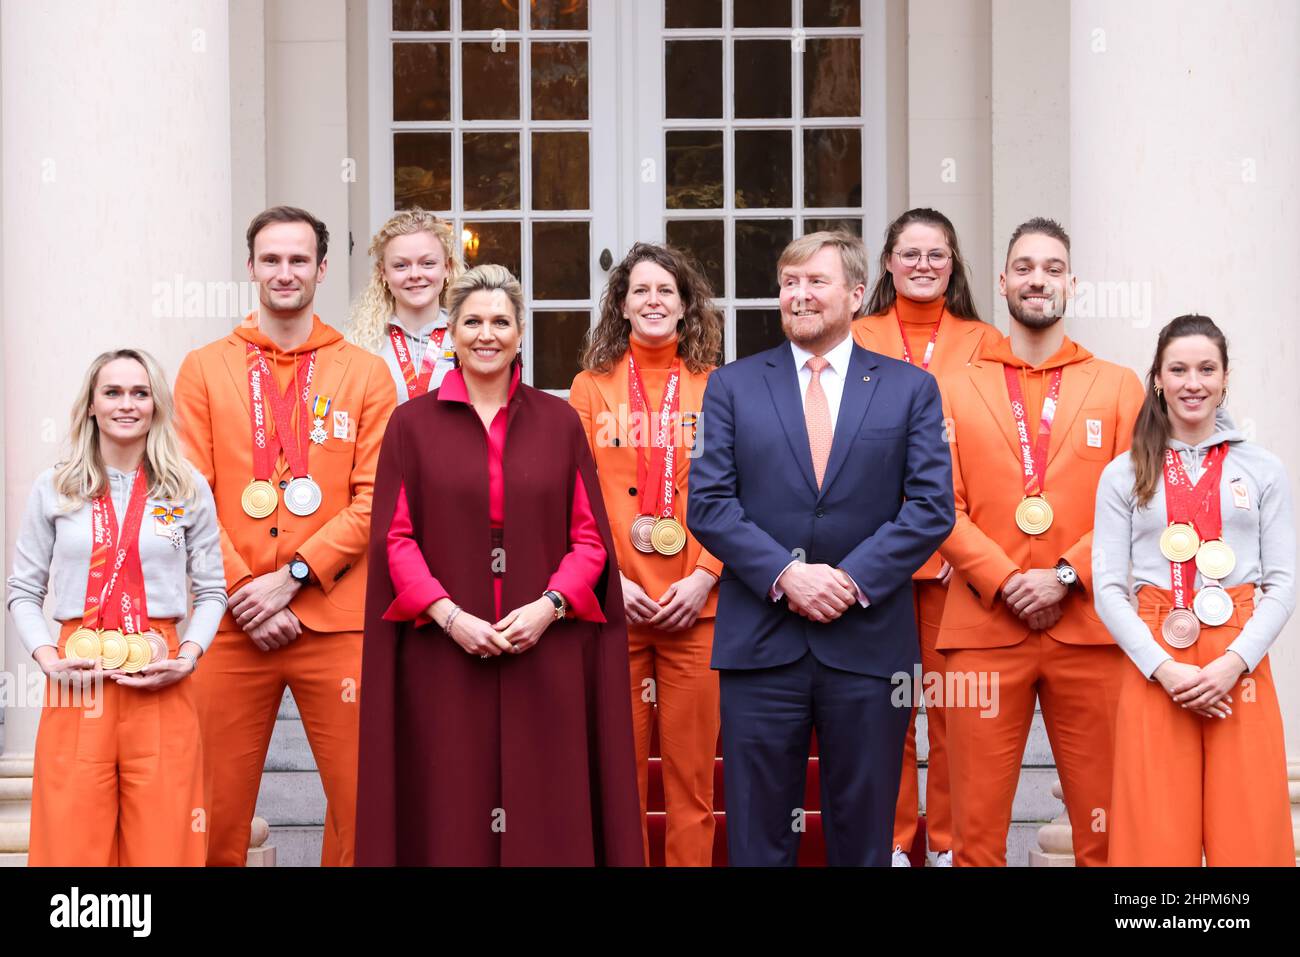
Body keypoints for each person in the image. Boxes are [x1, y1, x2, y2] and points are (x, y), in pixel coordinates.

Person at [357, 265, 644, 866]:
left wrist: (549, 607)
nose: (486, 334)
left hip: (546, 651)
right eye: (472, 322)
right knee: (450, 809)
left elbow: (590, 541)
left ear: (520, 335)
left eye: (500, 322)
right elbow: (397, 539)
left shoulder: (559, 421)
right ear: (451, 336)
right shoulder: (410, 424)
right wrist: (448, 616)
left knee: (548, 812)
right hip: (442, 651)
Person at [688, 231, 954, 866]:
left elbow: (930, 507)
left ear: (856, 294)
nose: (798, 295)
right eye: (788, 283)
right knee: (757, 839)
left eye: (815, 282)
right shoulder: (731, 386)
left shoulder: (909, 389)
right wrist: (787, 574)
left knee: (863, 839)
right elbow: (709, 504)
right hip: (761, 645)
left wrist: (850, 579)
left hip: (866, 646)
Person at [173, 206, 397, 866]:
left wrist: (292, 577)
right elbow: (188, 495)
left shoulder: (364, 373)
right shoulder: (203, 368)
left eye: (299, 259)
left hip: (335, 619)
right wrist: (245, 588)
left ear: (322, 270)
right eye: (271, 259)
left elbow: (374, 498)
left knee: (364, 809)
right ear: (250, 268)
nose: (284, 271)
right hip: (231, 621)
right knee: (210, 810)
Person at [937, 217, 1145, 866]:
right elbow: (936, 505)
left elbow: (1139, 502)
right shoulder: (950, 385)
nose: (1037, 279)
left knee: (1108, 829)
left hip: (1090, 627)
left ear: (1072, 285)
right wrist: (1005, 579)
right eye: (1024, 267)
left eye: (1052, 268)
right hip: (983, 626)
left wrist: (1061, 574)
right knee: (974, 835)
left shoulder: (1117, 386)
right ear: (1002, 283)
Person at [7, 349, 226, 866]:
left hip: (161, 673)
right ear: (91, 406)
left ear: (156, 405)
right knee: (70, 841)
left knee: (166, 841)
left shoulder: (186, 487)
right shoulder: (56, 487)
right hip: (76, 677)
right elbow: (22, 590)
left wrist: (189, 655)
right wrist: (45, 657)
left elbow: (213, 589)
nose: (126, 404)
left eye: (139, 392)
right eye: (113, 392)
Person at [1094, 315, 1295, 866]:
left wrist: (1237, 661)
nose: (1193, 383)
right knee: (1152, 827)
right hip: (1157, 657)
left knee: (1250, 823)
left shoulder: (1263, 469)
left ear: (1226, 377)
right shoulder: (1123, 472)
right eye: (1178, 369)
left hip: (1240, 655)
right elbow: (1109, 588)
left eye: (1207, 369)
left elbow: (1282, 582)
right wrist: (1162, 667)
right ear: (1157, 379)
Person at [852, 207, 1000, 867]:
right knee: (881, 712)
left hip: (955, 562)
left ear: (953, 263)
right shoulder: (854, 335)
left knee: (952, 714)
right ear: (887, 262)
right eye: (909, 253)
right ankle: (887, 844)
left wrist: (953, 547)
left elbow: (998, 451)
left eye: (935, 254)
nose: (922, 265)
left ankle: (944, 843)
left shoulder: (983, 340)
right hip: (874, 560)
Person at [569, 243, 725, 867]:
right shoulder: (590, 387)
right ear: (622, 304)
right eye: (641, 290)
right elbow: (572, 493)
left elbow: (740, 490)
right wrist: (607, 579)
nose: (654, 300)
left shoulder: (721, 386)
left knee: (693, 783)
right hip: (617, 607)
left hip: (698, 609)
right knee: (620, 780)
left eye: (666, 290)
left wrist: (707, 577)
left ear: (686, 305)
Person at [346, 208, 463, 403]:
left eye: (427, 263)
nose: (415, 274)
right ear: (383, 273)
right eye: (401, 265)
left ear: (447, 268)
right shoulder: (361, 343)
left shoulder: (467, 336)